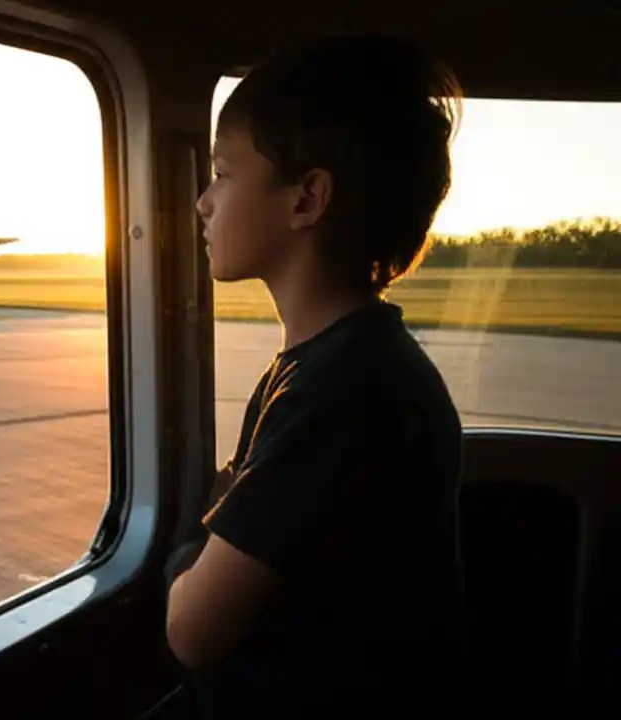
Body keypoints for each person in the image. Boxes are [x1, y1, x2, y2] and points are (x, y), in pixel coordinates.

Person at [164, 35, 468, 718]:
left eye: (223, 172)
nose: (203, 203)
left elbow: (192, 630)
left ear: (307, 199)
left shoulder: (342, 393)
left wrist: (183, 556)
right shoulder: (341, 366)